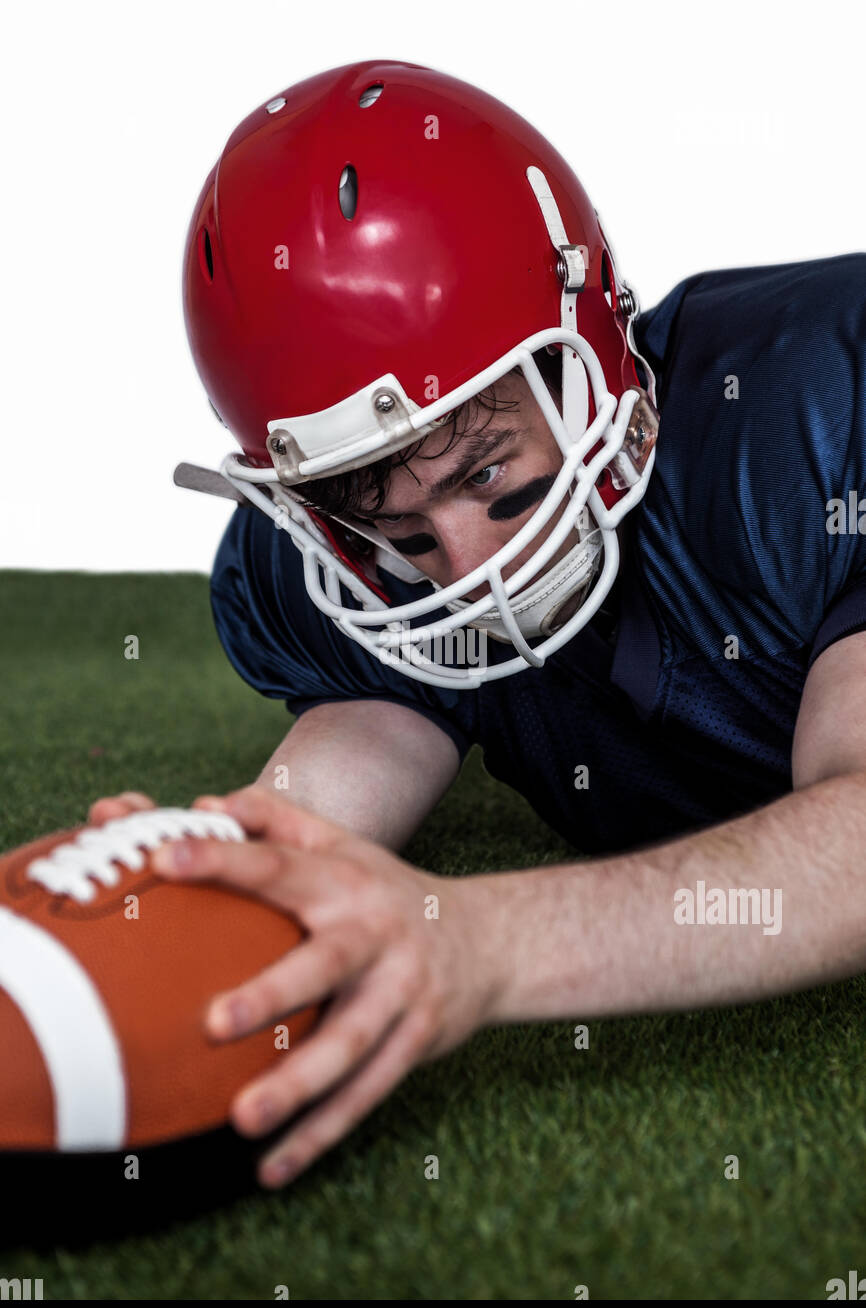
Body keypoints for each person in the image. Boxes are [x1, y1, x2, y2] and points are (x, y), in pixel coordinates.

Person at [92, 60, 866, 1188]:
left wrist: (478, 940)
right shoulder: (348, 566)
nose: (470, 571)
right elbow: (340, 780)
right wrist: (200, 897)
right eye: (402, 532)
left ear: (592, 357)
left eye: (492, 475)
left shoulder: (800, 419)